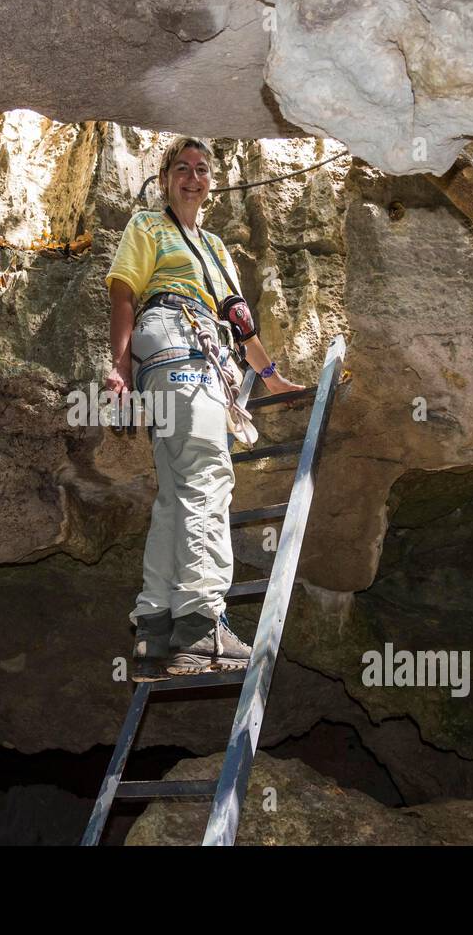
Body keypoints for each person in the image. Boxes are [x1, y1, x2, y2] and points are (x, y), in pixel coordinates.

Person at [104, 136, 304, 681]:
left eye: (202, 169)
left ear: (210, 181)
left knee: (176, 493)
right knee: (208, 477)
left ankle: (156, 631)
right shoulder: (148, 227)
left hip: (201, 350)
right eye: (182, 168)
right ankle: (201, 625)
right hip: (175, 341)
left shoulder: (216, 249)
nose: (193, 177)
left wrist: (269, 375)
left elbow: (239, 322)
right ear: (165, 176)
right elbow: (124, 293)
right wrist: (118, 368)